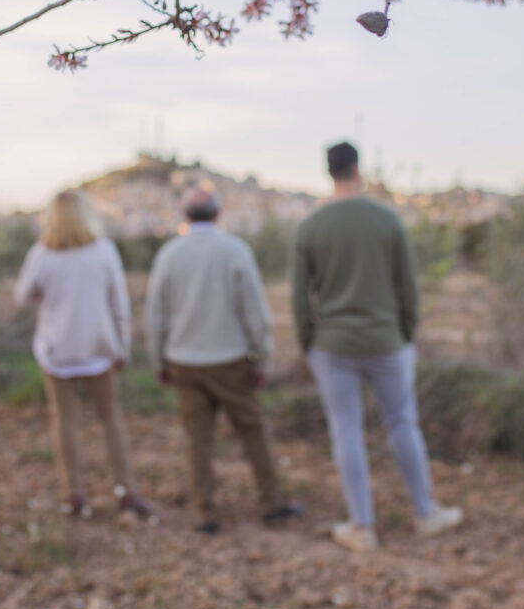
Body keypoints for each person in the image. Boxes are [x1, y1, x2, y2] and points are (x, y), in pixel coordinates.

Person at [291, 141, 463, 552]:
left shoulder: (310, 227)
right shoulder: (386, 220)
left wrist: (308, 343)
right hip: (387, 341)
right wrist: (405, 332)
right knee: (403, 422)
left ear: (328, 172)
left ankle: (362, 526)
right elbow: (408, 286)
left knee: (346, 430)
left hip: (332, 346)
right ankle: (426, 513)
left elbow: (300, 298)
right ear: (358, 169)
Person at [146, 187, 302, 535]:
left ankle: (206, 513)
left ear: (185, 215)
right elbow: (255, 313)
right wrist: (262, 360)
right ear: (219, 214)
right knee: (252, 431)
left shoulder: (170, 255)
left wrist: (159, 361)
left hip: (184, 362)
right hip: (230, 360)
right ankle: (272, 503)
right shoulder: (235, 250)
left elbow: (156, 314)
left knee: (197, 440)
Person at [13, 189, 153, 519]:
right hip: (99, 349)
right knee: (110, 420)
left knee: (65, 421)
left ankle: (73, 494)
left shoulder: (41, 254)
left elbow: (22, 296)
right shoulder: (103, 251)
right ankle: (124, 492)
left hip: (56, 350)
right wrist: (122, 347)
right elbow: (119, 302)